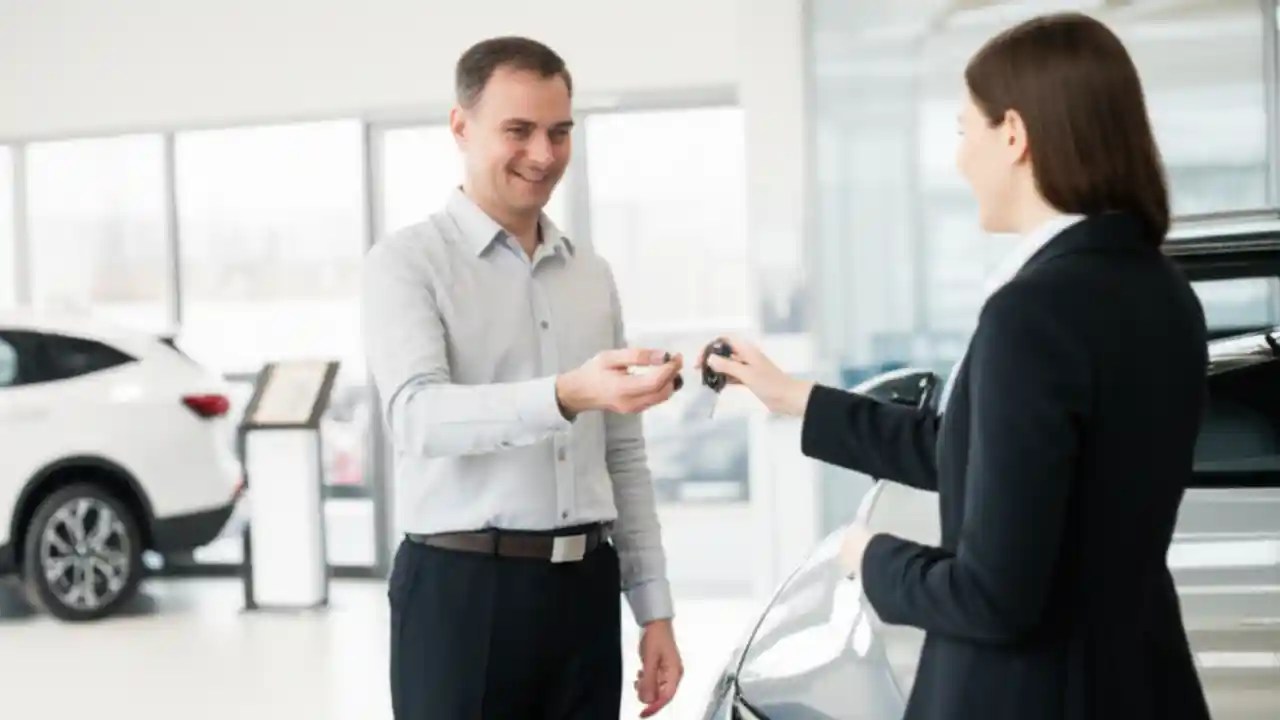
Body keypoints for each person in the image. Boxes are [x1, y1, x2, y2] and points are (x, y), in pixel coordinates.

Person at [703, 13, 1211, 720]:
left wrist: (869, 555)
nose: (959, 159)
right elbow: (972, 455)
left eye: (963, 131)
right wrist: (792, 396)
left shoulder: (1033, 313)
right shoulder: (1161, 291)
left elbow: (993, 599)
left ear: (1014, 134)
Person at [363, 36, 684, 720]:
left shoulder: (591, 275)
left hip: (586, 595)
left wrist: (653, 609)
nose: (544, 155)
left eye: (560, 132)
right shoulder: (407, 264)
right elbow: (418, 419)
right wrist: (566, 394)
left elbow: (621, 454)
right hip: (462, 595)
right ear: (461, 127)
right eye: (519, 131)